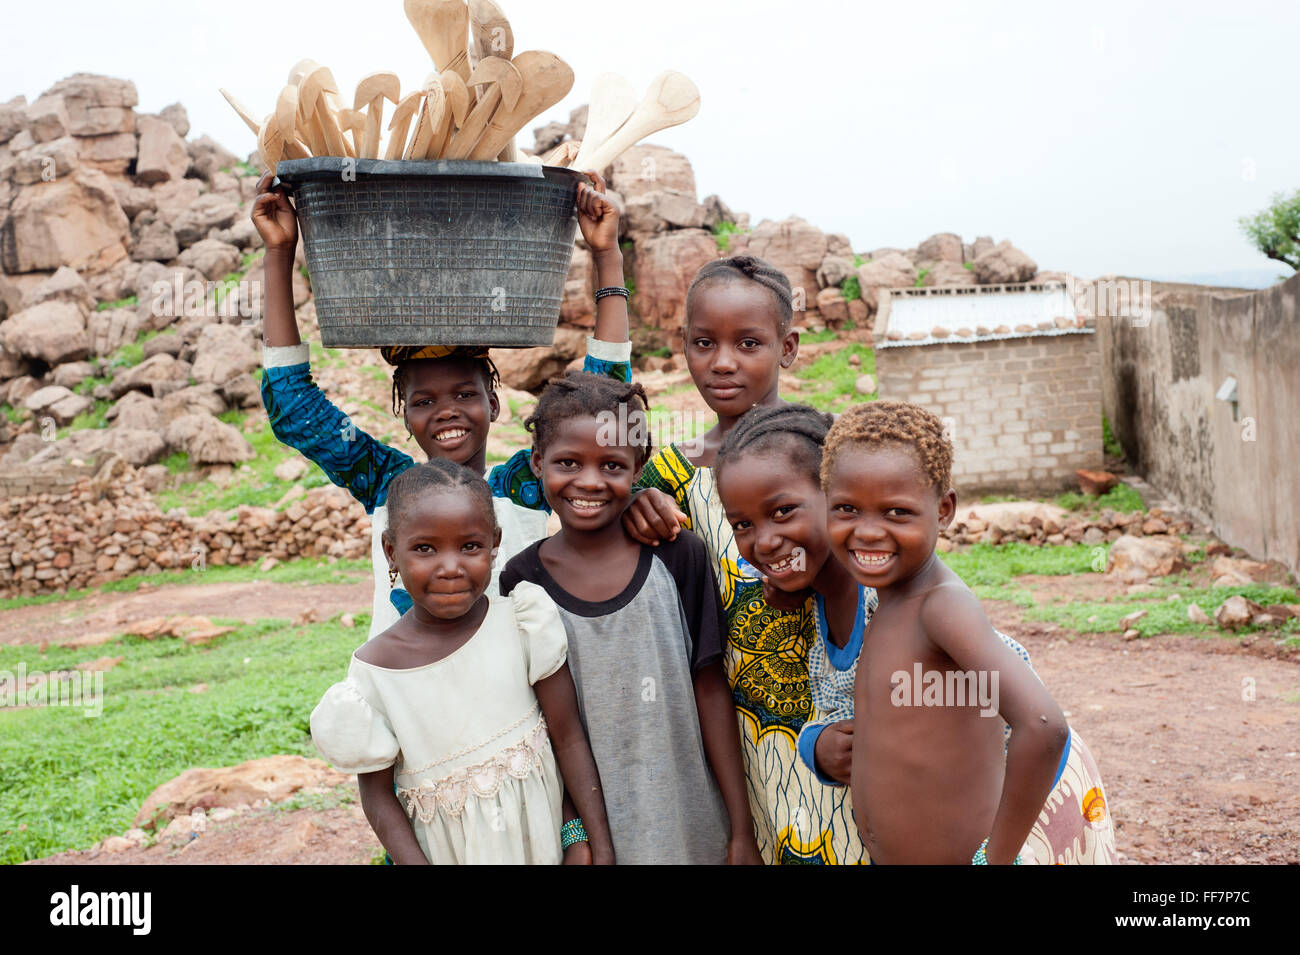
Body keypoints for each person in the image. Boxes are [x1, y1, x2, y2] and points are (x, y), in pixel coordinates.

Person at [250, 170, 632, 639]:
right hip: (404, 698)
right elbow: (293, 408)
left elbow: (600, 404)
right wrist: (280, 251)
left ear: (494, 403)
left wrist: (605, 254)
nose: (447, 410)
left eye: (465, 394)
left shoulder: (523, 486)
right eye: (424, 400)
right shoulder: (388, 486)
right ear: (405, 415)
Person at [621, 256, 865, 863]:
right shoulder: (670, 478)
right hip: (740, 733)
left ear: (788, 347)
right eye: (704, 343)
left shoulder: (833, 454)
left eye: (748, 343)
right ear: (683, 346)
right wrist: (634, 505)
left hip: (848, 717)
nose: (723, 362)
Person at [820, 401, 1117, 864]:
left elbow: (1043, 726)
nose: (869, 532)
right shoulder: (890, 597)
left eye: (896, 512)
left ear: (943, 510)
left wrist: (994, 859)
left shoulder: (940, 606)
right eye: (846, 509)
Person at [499, 371, 762, 864]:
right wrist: (573, 830)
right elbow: (542, 729)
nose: (590, 481)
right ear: (537, 462)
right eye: (568, 462)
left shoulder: (678, 555)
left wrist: (741, 830)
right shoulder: (522, 580)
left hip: (694, 826)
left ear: (639, 467)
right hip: (597, 842)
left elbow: (709, 687)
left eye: (612, 465)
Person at [713, 403, 1035, 791]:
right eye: (743, 524)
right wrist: (817, 745)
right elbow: (839, 706)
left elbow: (1026, 705)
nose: (764, 542)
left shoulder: (898, 599)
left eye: (783, 512)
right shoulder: (817, 602)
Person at [310, 460, 615, 865]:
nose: (450, 567)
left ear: (495, 545)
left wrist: (588, 840)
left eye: (470, 546)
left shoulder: (522, 623)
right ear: (391, 552)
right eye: (424, 548)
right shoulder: (374, 675)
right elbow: (378, 796)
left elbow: (567, 738)